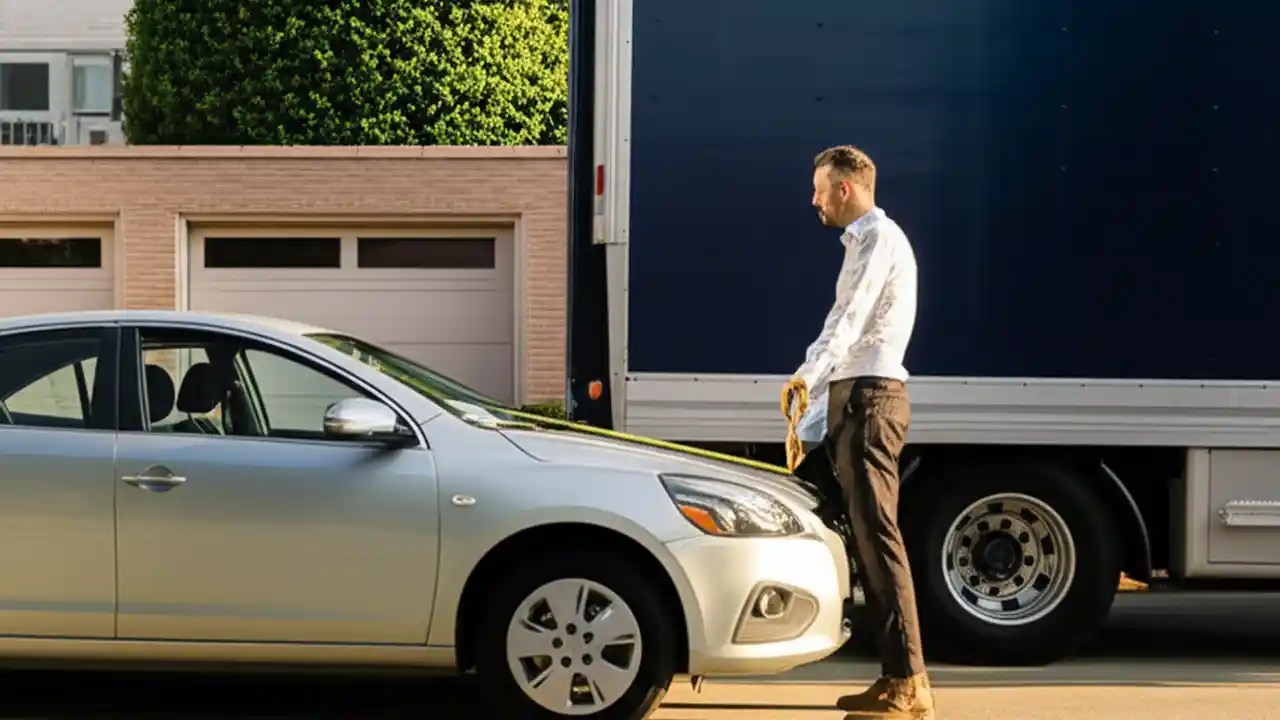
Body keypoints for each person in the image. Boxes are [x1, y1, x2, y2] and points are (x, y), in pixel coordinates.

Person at [782, 145, 934, 718]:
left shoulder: (877, 240)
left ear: (845, 187)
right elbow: (851, 341)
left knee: (880, 541)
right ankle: (895, 675)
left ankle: (910, 685)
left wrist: (805, 377)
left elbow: (848, 323)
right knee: (862, 539)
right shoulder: (863, 244)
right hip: (857, 397)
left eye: (820, 187)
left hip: (872, 402)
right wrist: (813, 419)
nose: (813, 199)